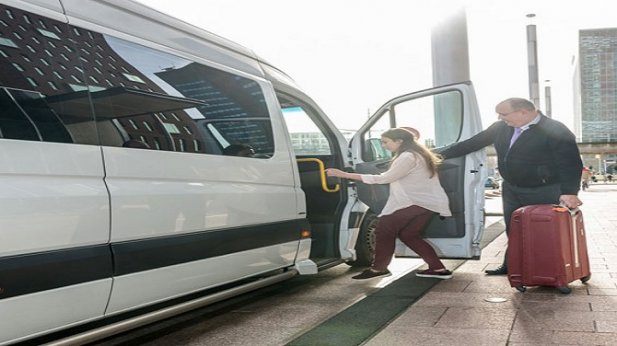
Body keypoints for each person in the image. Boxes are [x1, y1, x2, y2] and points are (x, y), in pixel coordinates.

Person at [440, 97, 583, 275]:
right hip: (512, 189)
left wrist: (570, 192)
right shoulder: (500, 128)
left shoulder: (555, 129)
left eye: (504, 114)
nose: (500, 118)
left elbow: (570, 162)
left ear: (523, 112)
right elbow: (471, 144)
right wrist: (436, 156)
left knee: (543, 232)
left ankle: (549, 271)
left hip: (543, 189)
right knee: (513, 229)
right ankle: (512, 265)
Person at [325, 128, 453, 280]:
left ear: (399, 141)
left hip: (416, 202)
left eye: (386, 142)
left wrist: (344, 174)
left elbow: (384, 179)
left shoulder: (407, 157)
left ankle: (378, 268)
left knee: (384, 230)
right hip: (427, 202)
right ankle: (438, 268)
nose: (384, 146)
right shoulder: (417, 154)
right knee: (409, 235)